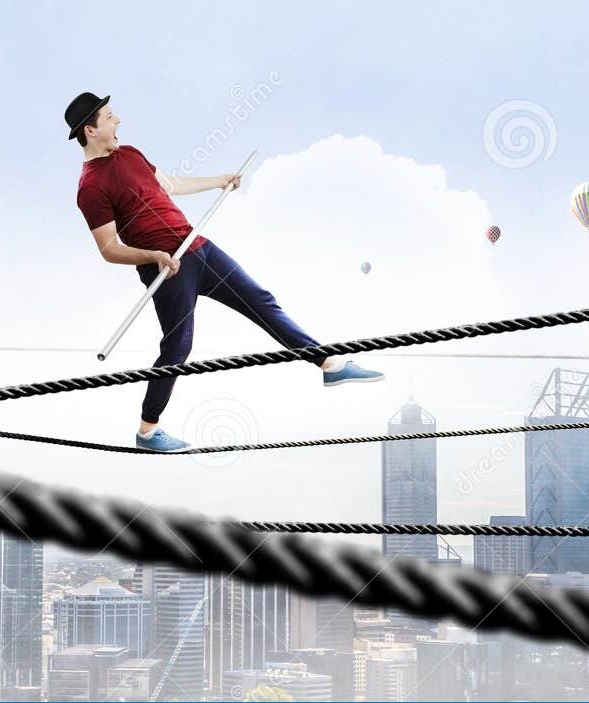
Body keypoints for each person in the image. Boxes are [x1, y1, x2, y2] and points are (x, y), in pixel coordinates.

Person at [66, 91, 384, 452]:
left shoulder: (131, 154)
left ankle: (328, 364)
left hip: (198, 247)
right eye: (109, 117)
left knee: (261, 301)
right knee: (177, 347)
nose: (118, 120)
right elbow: (109, 248)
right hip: (168, 268)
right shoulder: (90, 186)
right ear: (91, 130)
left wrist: (218, 180)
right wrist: (153, 255)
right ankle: (148, 432)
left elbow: (169, 185)